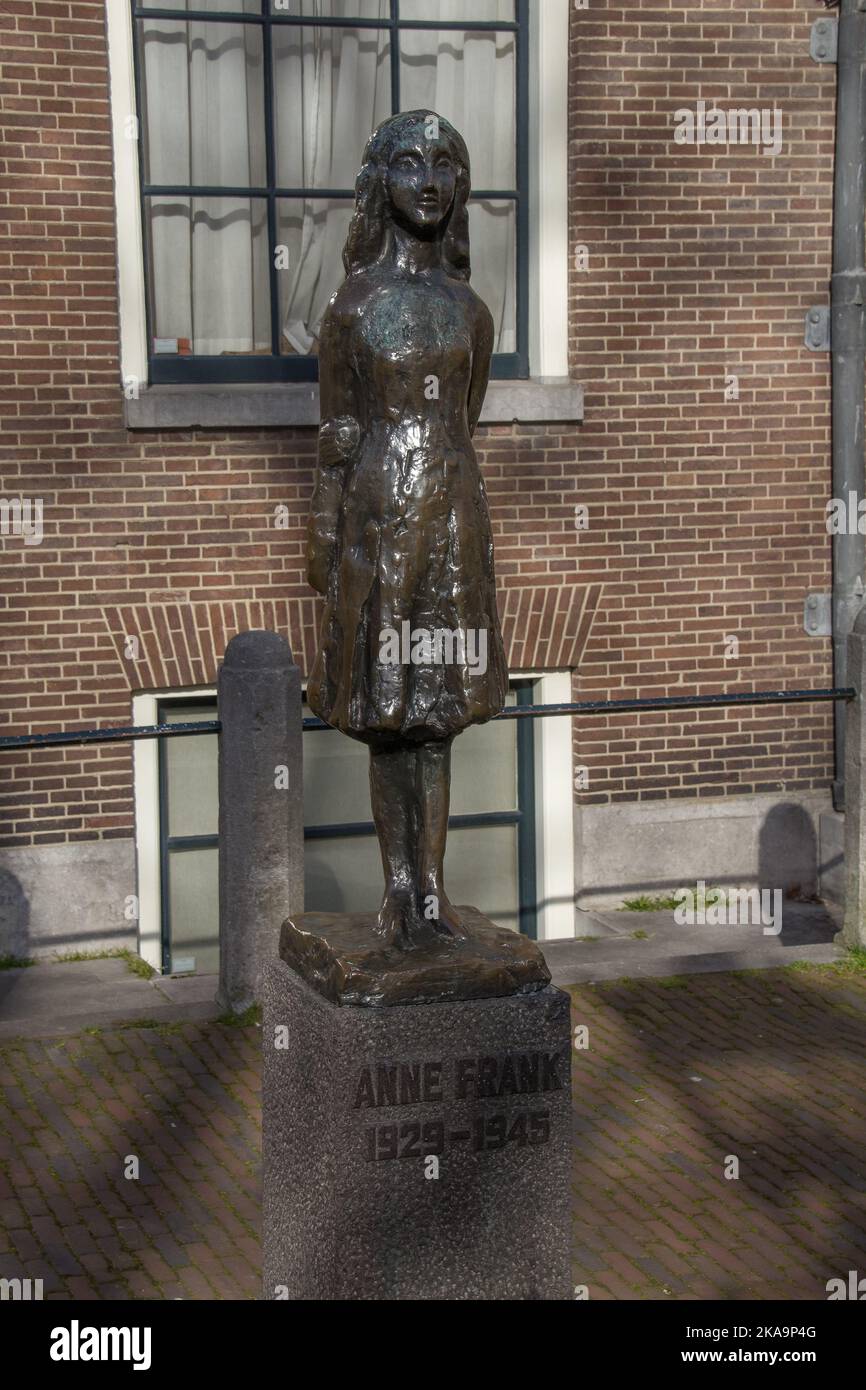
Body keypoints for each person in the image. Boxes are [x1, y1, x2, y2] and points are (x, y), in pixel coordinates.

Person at [307, 110, 508, 950]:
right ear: (379, 183)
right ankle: (397, 892)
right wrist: (325, 544)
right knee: (389, 713)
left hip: (452, 519)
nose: (429, 181)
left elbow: (466, 418)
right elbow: (338, 436)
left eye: (446, 165)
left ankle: (434, 891)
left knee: (440, 710)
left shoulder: (470, 311)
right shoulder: (352, 310)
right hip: (379, 522)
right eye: (410, 164)